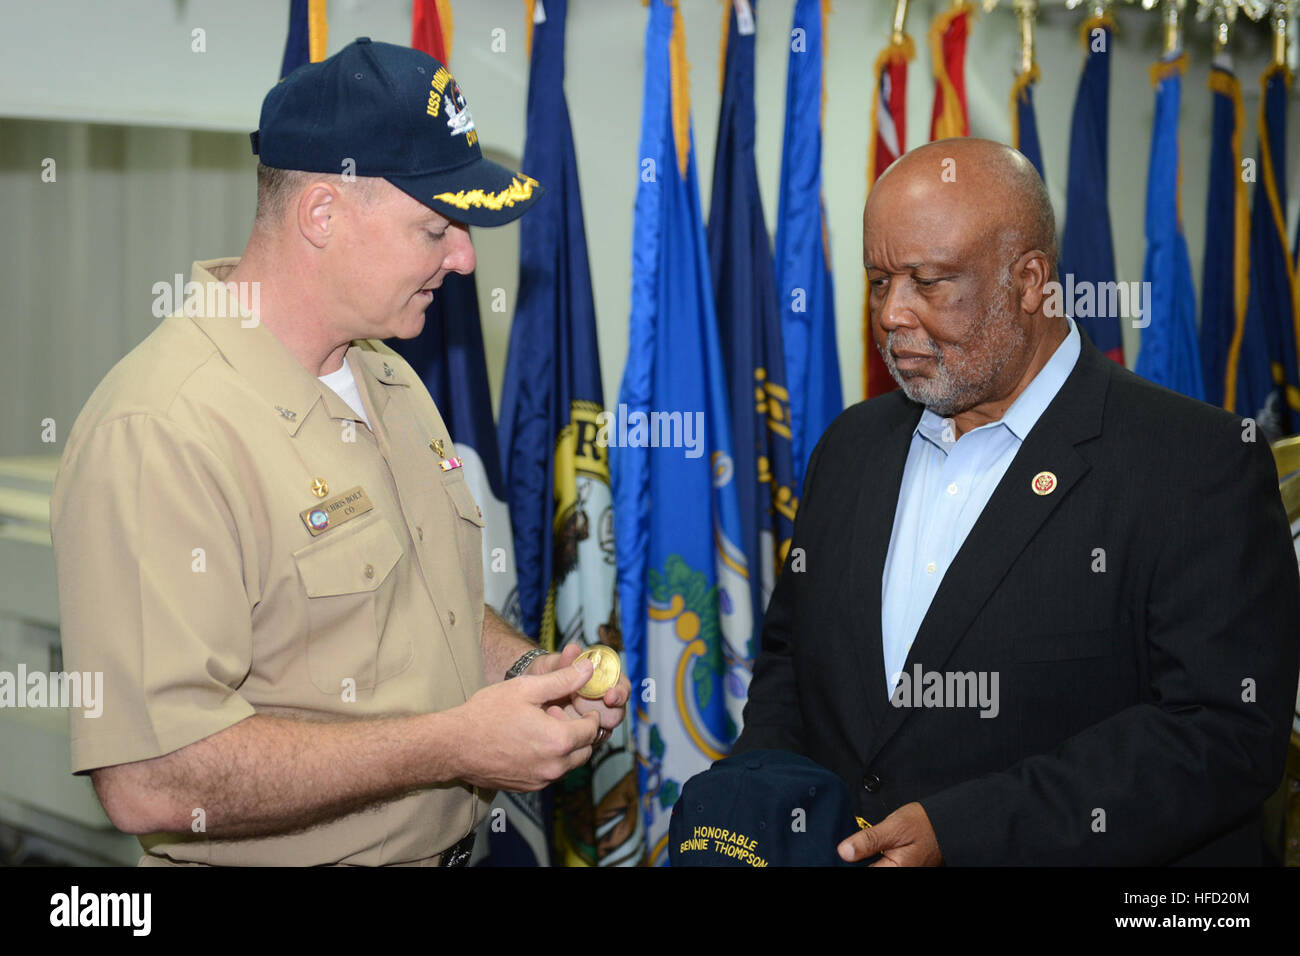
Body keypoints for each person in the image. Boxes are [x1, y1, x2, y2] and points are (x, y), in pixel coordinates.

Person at [49, 38, 629, 866]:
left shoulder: (388, 377)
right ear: (321, 214)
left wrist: (530, 675)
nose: (465, 258)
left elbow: (426, 610)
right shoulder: (162, 430)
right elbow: (152, 778)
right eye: (436, 228)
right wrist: (451, 746)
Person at [734, 138, 1300, 866]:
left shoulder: (1195, 463)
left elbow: (1222, 734)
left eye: (928, 281)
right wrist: (750, 812)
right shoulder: (850, 446)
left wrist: (962, 833)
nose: (892, 314)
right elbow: (790, 662)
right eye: (878, 282)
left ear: (1029, 281)